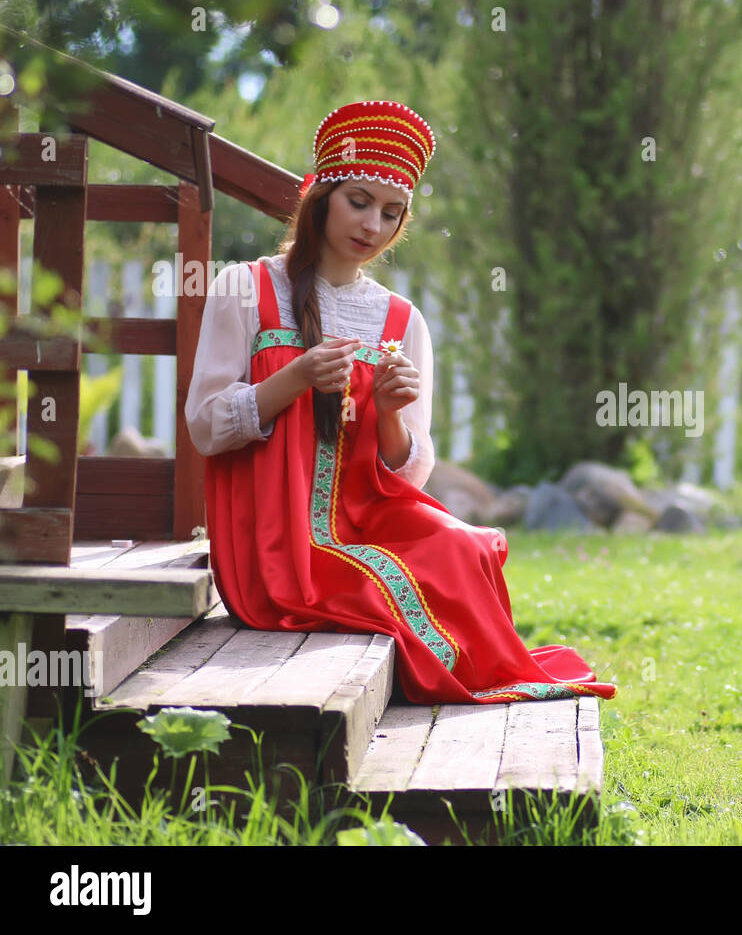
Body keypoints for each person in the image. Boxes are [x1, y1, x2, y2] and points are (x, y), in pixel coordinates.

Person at [184, 99, 616, 704]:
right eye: (358, 201)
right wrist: (296, 377)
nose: (372, 225)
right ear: (321, 196)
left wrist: (389, 414)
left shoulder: (401, 319)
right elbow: (205, 427)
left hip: (366, 520)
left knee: (463, 548)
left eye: (391, 213)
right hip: (275, 550)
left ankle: (482, 668)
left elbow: (408, 474)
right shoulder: (246, 287)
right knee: (393, 578)